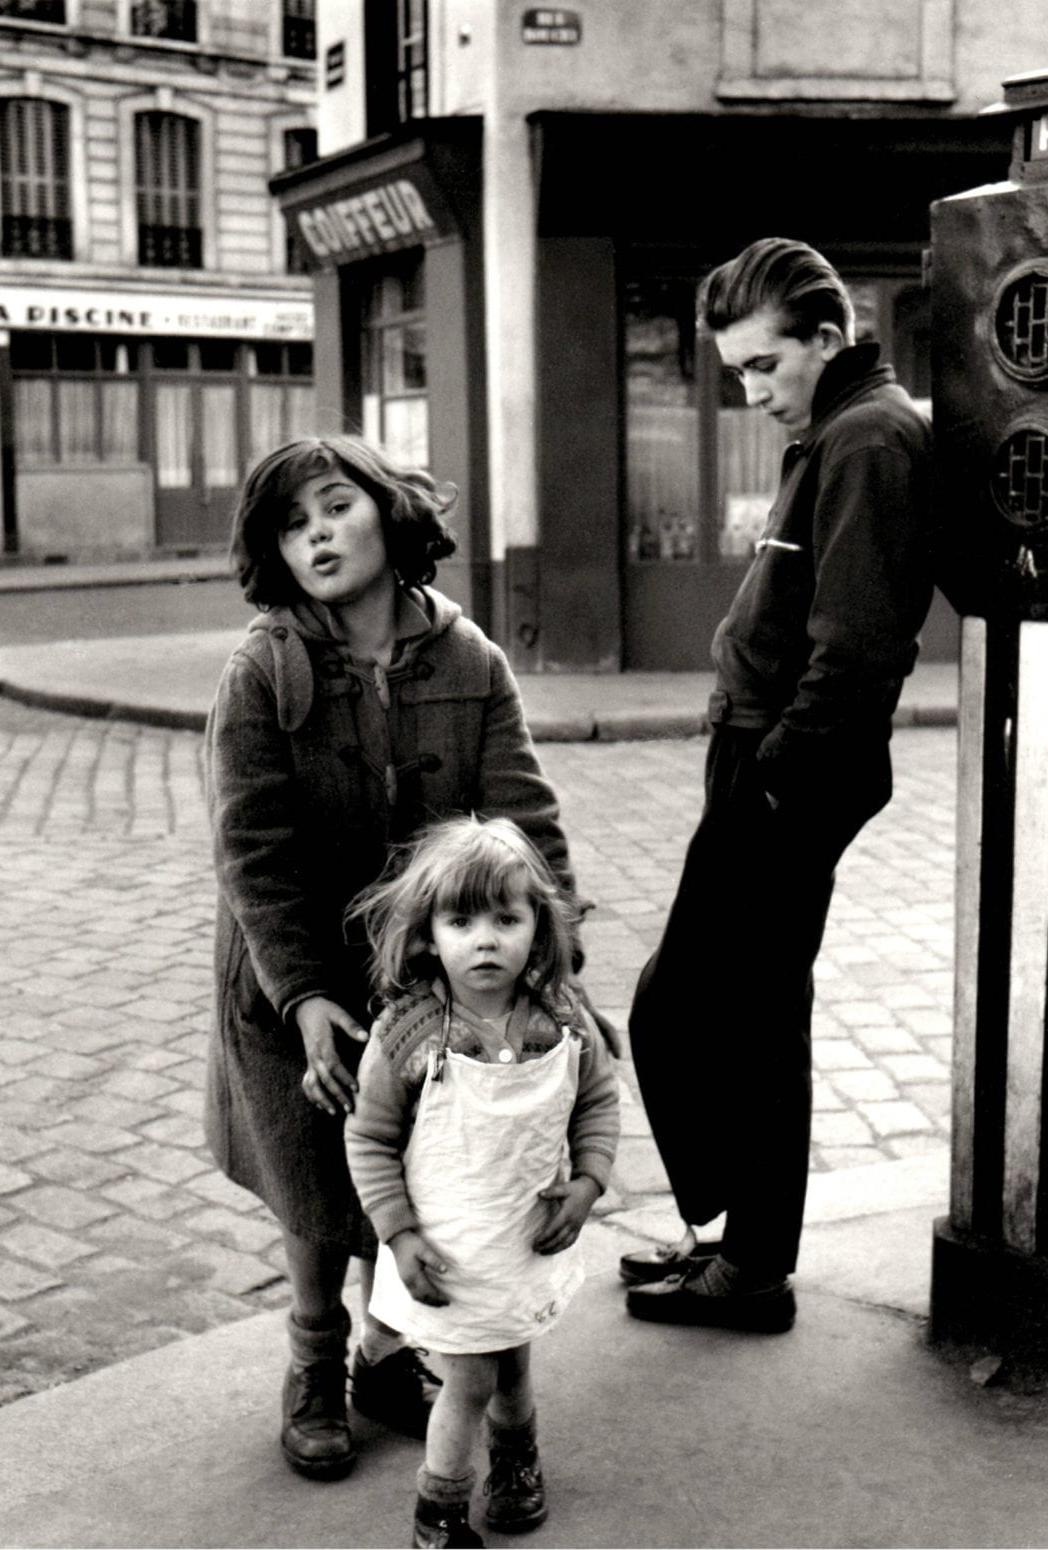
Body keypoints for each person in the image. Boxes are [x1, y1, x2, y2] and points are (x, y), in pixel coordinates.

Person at [204, 435, 583, 1483]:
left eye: (336, 507)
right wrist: (302, 996)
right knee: (313, 1173)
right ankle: (314, 1360)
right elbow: (250, 851)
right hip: (289, 974)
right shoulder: (262, 669)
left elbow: (528, 825)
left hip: (425, 975)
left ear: (388, 511)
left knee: (416, 1162)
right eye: (293, 524)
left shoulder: (471, 661)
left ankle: (384, 1353)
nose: (318, 535)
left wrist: (557, 962)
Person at [622, 238, 933, 1330]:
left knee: (694, 1009)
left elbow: (858, 651)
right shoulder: (835, 431)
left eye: (764, 365)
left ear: (827, 338)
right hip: (766, 757)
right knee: (737, 1006)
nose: (751, 392)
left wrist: (771, 780)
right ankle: (741, 1240)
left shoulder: (868, 439)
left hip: (787, 767)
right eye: (737, 372)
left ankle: (750, 1263)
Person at [345, 816, 619, 1549]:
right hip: (448, 1251)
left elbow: (597, 1100)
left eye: (506, 919)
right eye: (462, 922)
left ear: (539, 926)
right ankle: (436, 1515)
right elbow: (369, 1138)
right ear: (428, 935)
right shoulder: (408, 1034)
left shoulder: (562, 1019)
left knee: (516, 1359)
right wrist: (398, 1234)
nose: (486, 940)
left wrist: (589, 1182)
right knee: (468, 1381)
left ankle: (516, 1462)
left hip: (524, 1239)